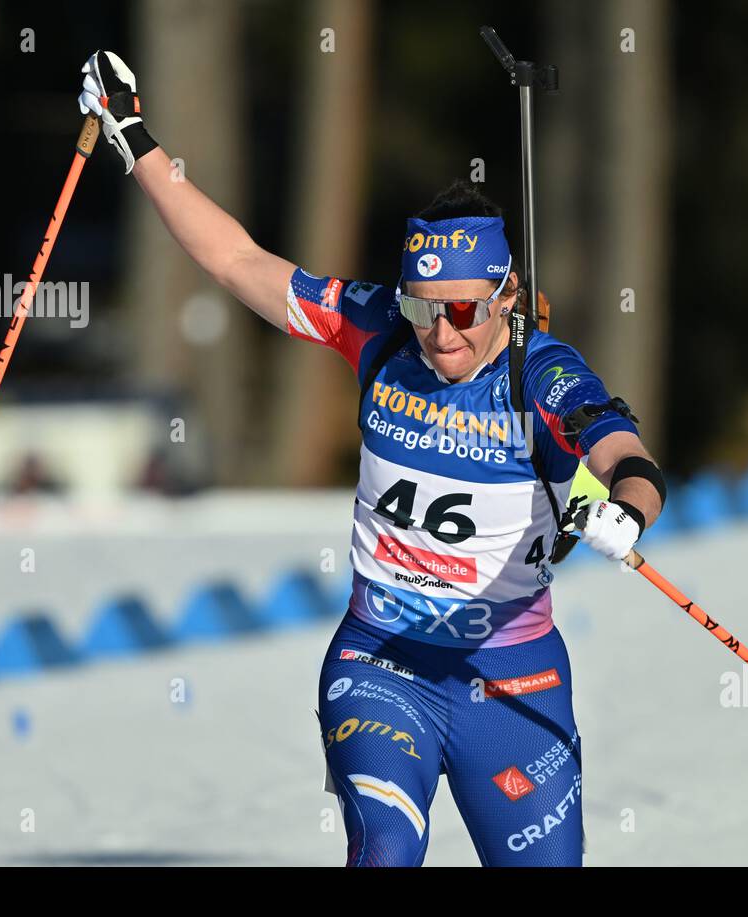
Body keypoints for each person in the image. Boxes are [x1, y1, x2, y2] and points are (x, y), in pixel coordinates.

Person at [79, 51, 666, 866]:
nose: (441, 333)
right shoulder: (377, 330)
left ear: (505, 295)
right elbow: (238, 261)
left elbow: (621, 447)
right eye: (422, 307)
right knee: (385, 848)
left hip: (513, 675)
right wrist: (135, 138)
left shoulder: (541, 371)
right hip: (381, 660)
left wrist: (625, 509)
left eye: (461, 309)